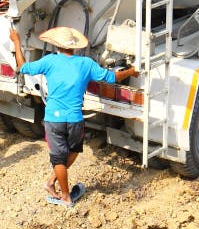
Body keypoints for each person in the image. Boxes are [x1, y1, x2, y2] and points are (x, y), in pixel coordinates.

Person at [10, 26, 139, 207]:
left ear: (57, 45)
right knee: (74, 150)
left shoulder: (50, 61)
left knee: (58, 158)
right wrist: (132, 71)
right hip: (75, 119)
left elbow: (22, 67)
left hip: (54, 119)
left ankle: (63, 194)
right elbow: (111, 78)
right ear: (74, 47)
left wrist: (17, 42)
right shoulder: (86, 63)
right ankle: (56, 186)